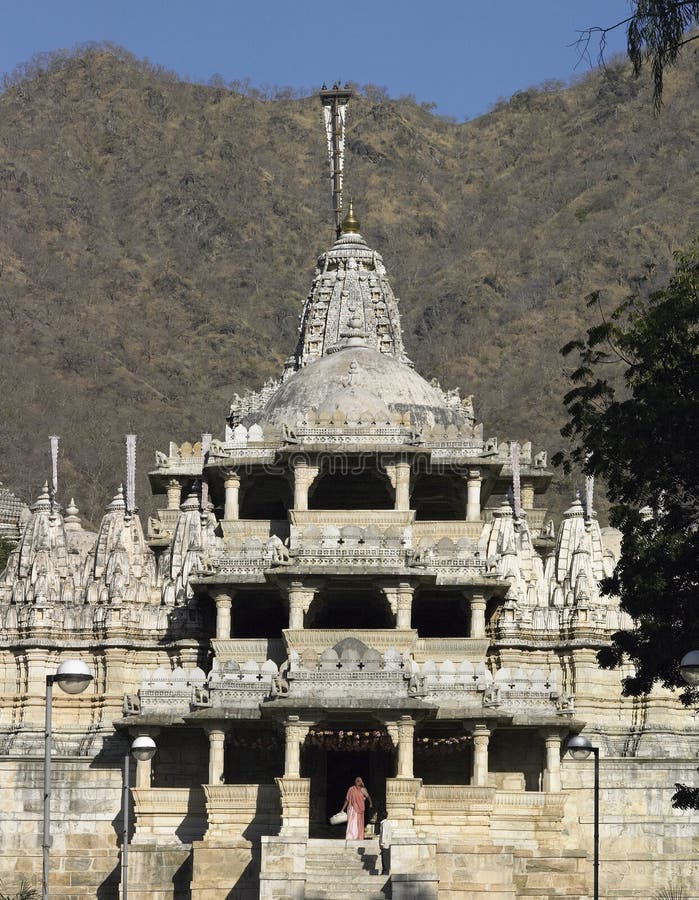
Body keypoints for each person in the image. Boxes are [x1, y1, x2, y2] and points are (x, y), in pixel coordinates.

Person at [341, 776, 372, 840]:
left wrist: (371, 803)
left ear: (361, 782)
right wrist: (342, 810)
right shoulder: (351, 789)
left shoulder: (363, 790)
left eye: (359, 781)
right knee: (351, 822)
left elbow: (368, 797)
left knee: (358, 823)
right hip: (352, 809)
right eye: (357, 781)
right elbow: (347, 800)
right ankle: (350, 836)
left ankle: (357, 836)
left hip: (360, 810)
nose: (357, 782)